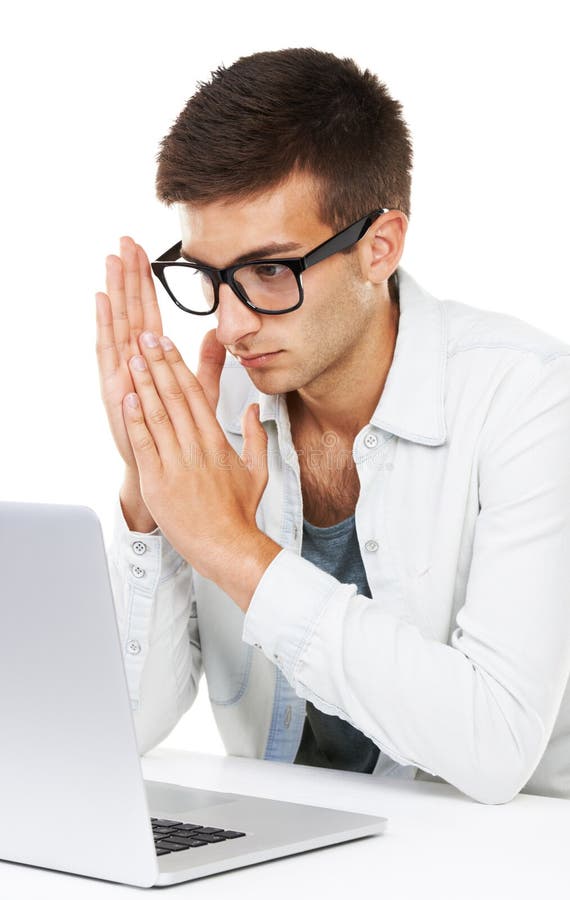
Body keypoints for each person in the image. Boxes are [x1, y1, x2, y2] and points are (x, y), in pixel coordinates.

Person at [95, 48, 570, 805]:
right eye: (209, 276)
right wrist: (148, 493)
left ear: (378, 248)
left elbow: (495, 745)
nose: (230, 321)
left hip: (501, 859)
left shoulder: (528, 398)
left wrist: (234, 550)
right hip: (288, 848)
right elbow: (118, 727)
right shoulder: (219, 410)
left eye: (270, 271)